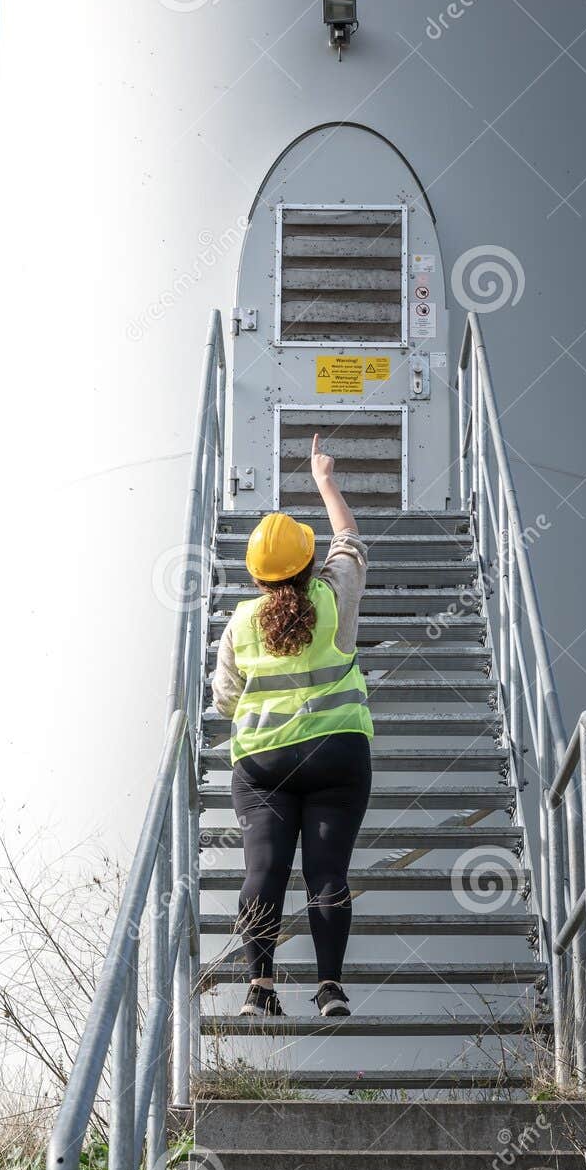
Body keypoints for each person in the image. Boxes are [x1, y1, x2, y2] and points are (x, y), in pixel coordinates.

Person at [210, 434, 373, 1022]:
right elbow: (349, 540)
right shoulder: (335, 597)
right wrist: (325, 481)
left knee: (263, 870)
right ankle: (330, 987)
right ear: (309, 563)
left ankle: (259, 988)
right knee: (328, 871)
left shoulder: (241, 622)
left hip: (262, 766)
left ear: (256, 576)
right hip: (338, 755)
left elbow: (225, 699)